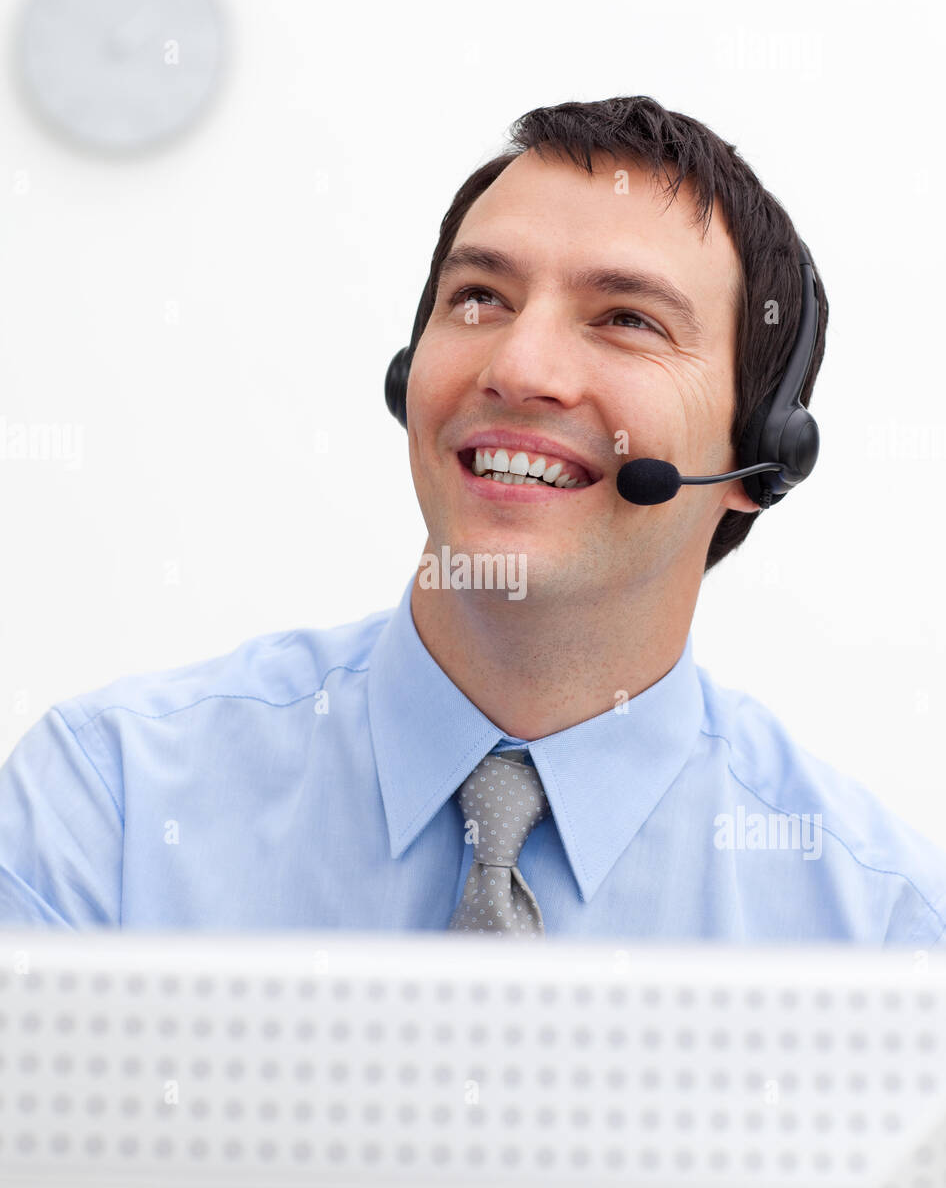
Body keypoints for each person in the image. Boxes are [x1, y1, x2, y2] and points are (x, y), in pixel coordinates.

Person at [1, 95, 943, 942]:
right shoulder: (108, 809)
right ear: (408, 378)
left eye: (626, 318)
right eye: (481, 299)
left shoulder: (883, 934)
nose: (517, 368)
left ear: (761, 451)